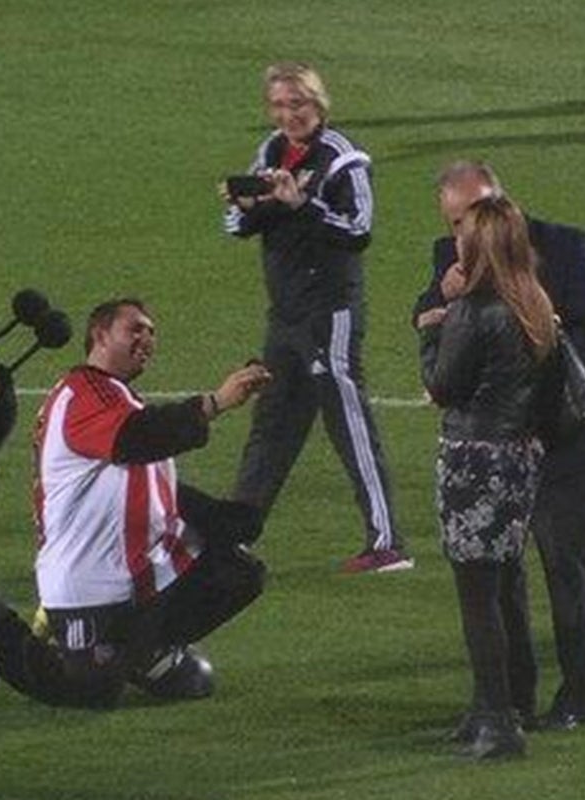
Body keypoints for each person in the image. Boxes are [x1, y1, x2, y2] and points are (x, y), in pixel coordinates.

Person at [0, 299, 272, 708]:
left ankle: (140, 652)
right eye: (135, 329)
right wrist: (215, 402)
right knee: (93, 692)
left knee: (237, 572)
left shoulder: (120, 401)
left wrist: (221, 517)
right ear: (101, 335)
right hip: (86, 585)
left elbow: (154, 487)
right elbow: (139, 438)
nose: (147, 338)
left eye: (152, 332)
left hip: (139, 577)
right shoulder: (82, 394)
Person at [414, 161, 585, 731]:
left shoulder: (564, 246)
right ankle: (510, 699)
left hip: (559, 441)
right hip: (498, 448)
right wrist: (447, 299)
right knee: (499, 578)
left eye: (471, 218)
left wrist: (521, 363)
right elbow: (428, 314)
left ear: (502, 204)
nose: (462, 236)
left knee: (569, 573)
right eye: (454, 223)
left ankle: (577, 699)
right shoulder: (448, 257)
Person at [221, 62, 411, 573]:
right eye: (280, 105)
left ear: (318, 106)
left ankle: (388, 541)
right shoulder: (270, 151)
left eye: (297, 105)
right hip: (284, 314)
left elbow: (358, 230)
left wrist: (300, 203)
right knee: (272, 424)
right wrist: (251, 203)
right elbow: (236, 225)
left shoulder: (345, 160)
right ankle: (234, 537)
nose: (288, 115)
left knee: (348, 421)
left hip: (332, 311)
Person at [418, 195, 558, 759]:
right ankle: (499, 704)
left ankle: (498, 722)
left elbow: (442, 386)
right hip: (518, 457)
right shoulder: (534, 301)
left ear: (477, 247)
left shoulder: (476, 309)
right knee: (504, 586)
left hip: (475, 460)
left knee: (478, 595)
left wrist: (432, 328)